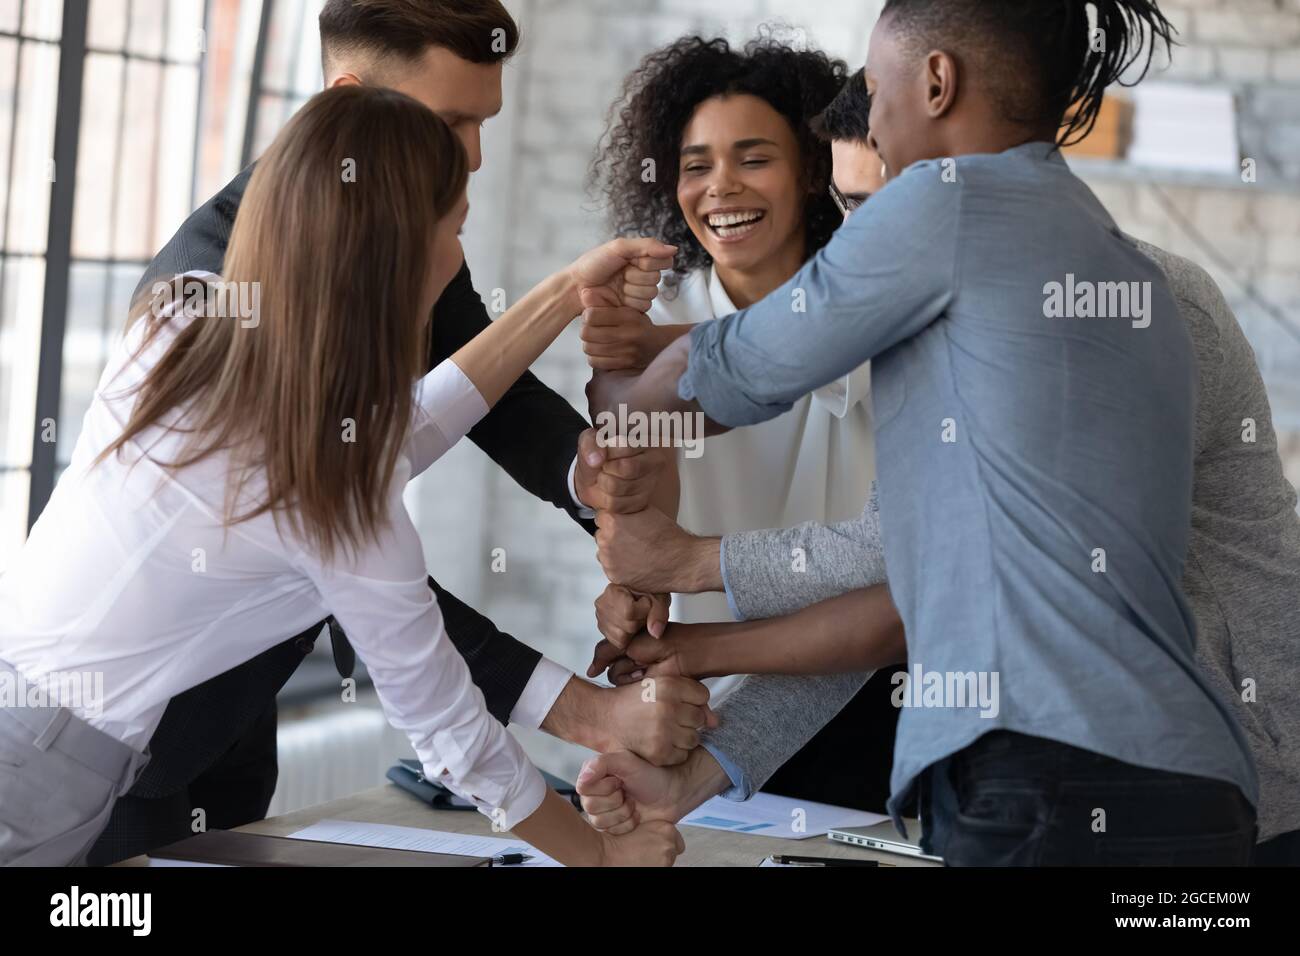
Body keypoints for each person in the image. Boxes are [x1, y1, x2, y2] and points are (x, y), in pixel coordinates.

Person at [580, 0, 1262, 865]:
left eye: (875, 88)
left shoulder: (946, 204)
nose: (872, 126)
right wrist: (703, 764)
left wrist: (617, 403)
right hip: (1197, 802)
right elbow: (906, 604)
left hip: (1041, 785)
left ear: (936, 82)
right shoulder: (1120, 269)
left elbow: (731, 373)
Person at [89, 0, 711, 865]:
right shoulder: (210, 304)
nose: (475, 155)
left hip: (236, 718)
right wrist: (590, 725)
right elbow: (367, 571)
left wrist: (605, 499)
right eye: (451, 120)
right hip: (125, 747)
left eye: (484, 120)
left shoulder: (393, 230)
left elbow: (468, 393)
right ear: (353, 95)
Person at [581, 36, 898, 813]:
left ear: (813, 173)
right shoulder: (653, 320)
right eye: (696, 165)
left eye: (754, 158)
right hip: (717, 705)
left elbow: (895, 569)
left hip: (878, 691)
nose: (721, 186)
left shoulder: (881, 311)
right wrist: (628, 586)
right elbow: (633, 501)